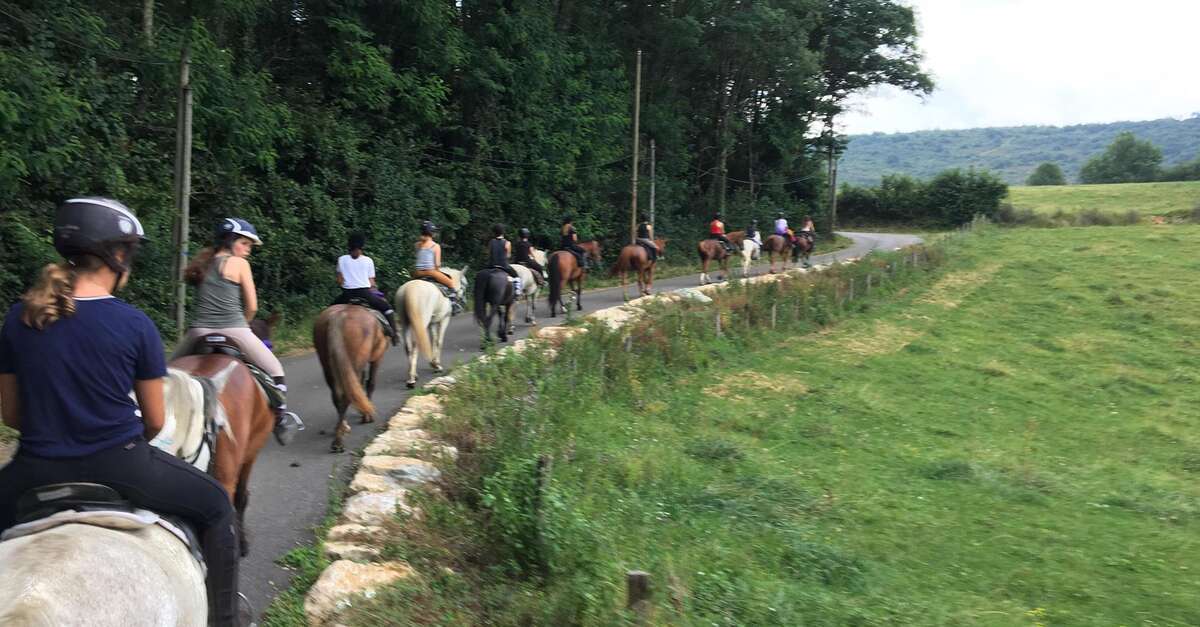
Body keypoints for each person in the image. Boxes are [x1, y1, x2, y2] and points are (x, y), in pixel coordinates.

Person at [0, 198, 241, 625]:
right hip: (121, 465)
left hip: (32, 471)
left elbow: (12, 416)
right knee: (218, 505)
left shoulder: (19, 318)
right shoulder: (135, 324)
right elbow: (155, 421)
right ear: (118, 254)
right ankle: (226, 620)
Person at [174, 218, 303, 446]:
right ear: (230, 241)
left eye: (249, 245)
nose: (248, 249)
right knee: (276, 369)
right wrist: (244, 324)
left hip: (198, 331)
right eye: (244, 243)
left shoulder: (203, 263)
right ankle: (281, 419)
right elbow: (252, 306)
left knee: (165, 372)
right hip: (235, 329)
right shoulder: (240, 264)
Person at [332, 233, 399, 346]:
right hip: (365, 294)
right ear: (362, 246)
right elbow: (371, 282)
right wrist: (374, 290)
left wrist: (347, 284)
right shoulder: (368, 260)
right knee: (387, 308)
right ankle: (394, 335)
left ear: (349, 245)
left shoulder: (341, 259)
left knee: (329, 309)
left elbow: (339, 281)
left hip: (347, 295)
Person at [413, 220, 463, 314]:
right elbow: (437, 264)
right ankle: (454, 304)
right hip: (430, 272)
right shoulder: (435, 246)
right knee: (451, 283)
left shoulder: (417, 245)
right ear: (432, 233)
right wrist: (437, 271)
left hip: (417, 273)